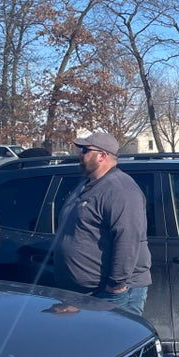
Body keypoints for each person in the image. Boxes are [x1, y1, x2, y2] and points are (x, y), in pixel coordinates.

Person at [54, 131, 152, 315]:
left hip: (112, 294)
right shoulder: (87, 185)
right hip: (83, 293)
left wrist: (115, 286)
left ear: (102, 156)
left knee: (116, 342)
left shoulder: (120, 189)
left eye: (85, 150)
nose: (80, 155)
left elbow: (127, 239)